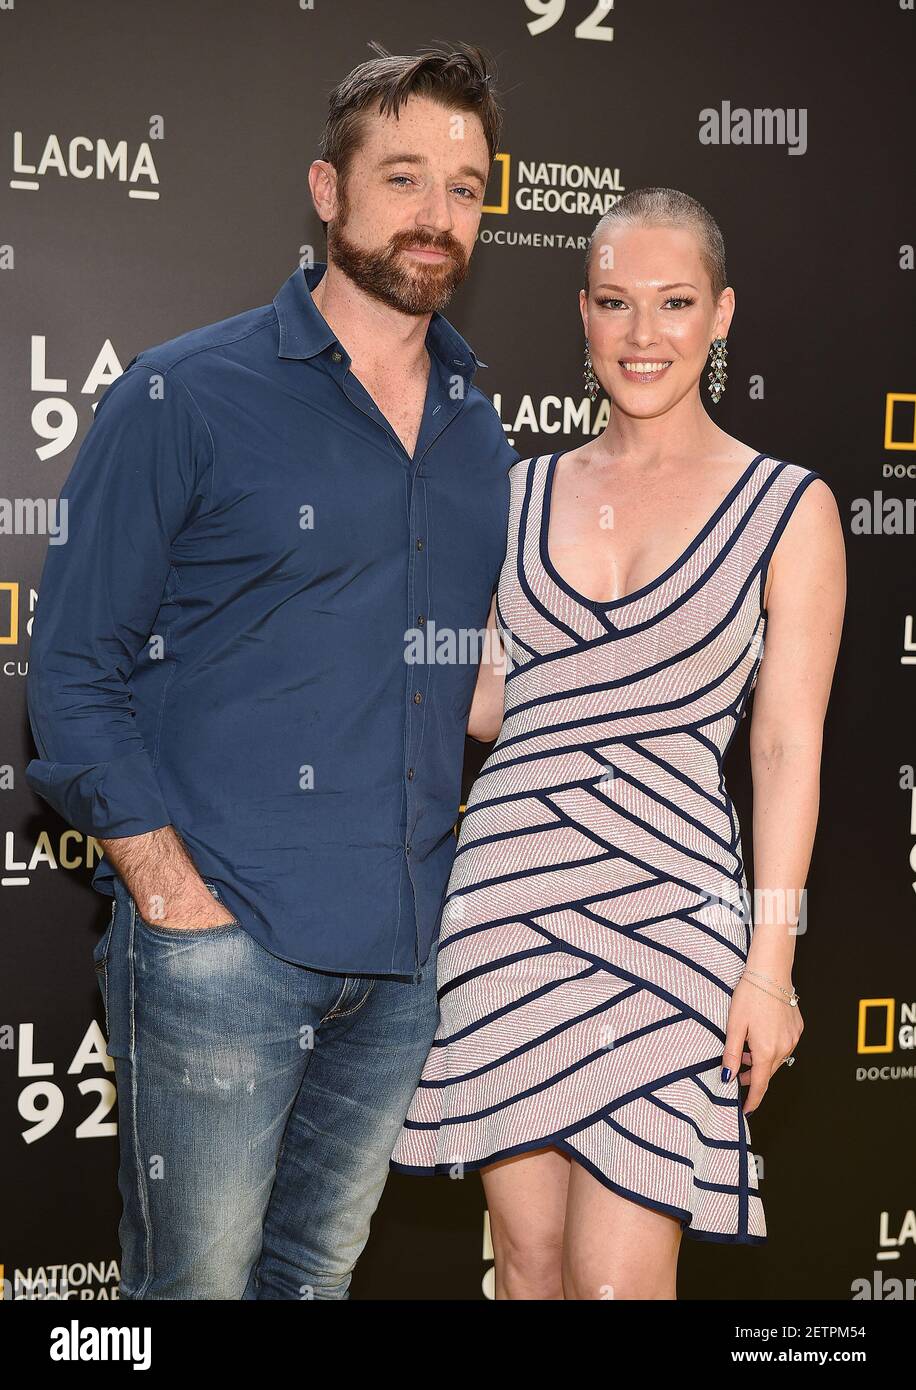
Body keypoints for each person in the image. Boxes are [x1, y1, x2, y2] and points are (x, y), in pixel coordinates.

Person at [24, 41, 518, 1300]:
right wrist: (171, 891)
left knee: (309, 1280)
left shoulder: (479, 427)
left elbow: (471, 675)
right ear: (326, 188)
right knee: (187, 1294)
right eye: (403, 178)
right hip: (220, 944)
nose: (435, 215)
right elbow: (70, 668)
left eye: (464, 187)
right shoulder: (185, 393)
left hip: (405, 956)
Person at [390, 187, 846, 1299]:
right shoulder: (517, 490)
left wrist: (771, 967)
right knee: (532, 1270)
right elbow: (493, 699)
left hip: (671, 913)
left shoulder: (789, 508)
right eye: (614, 303)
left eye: (675, 303)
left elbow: (785, 747)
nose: (644, 336)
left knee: (616, 1284)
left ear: (722, 313)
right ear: (582, 315)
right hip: (508, 907)